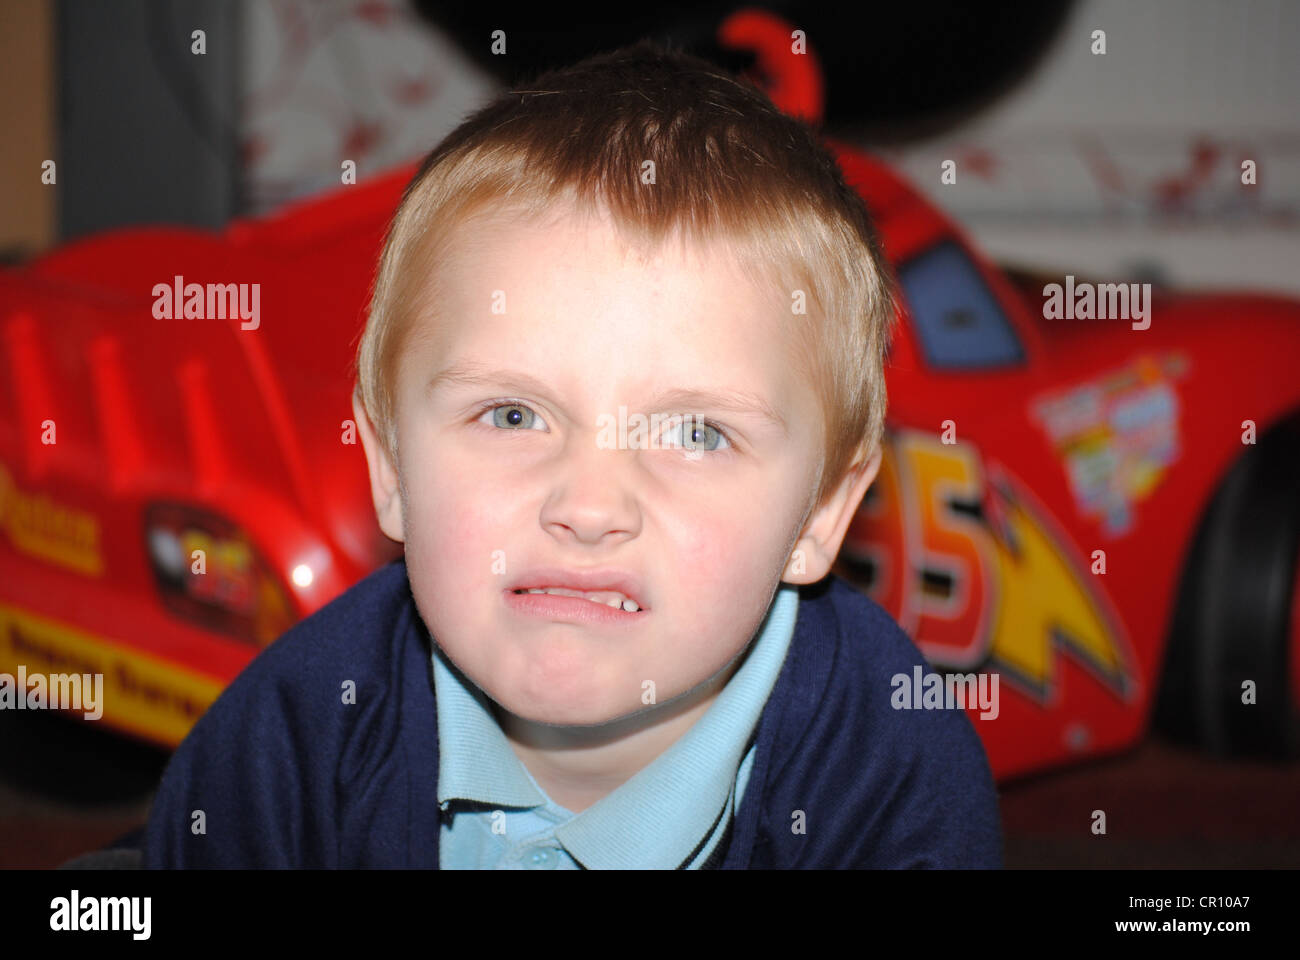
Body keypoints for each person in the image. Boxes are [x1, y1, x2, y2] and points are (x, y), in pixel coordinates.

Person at [143, 41, 1002, 869]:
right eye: (513, 415)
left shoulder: (890, 779)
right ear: (391, 466)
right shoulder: (295, 737)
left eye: (695, 434)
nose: (589, 507)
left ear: (820, 514)